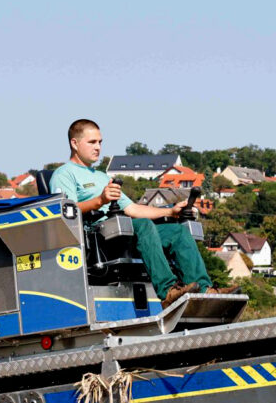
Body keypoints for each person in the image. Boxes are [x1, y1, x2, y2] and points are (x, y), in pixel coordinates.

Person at [51, 119, 212, 307]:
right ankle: (168, 291)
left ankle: (204, 290)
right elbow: (65, 212)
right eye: (92, 142)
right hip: (99, 237)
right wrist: (99, 201)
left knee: (178, 231)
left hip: (127, 233)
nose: (98, 148)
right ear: (74, 143)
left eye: (100, 142)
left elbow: (132, 209)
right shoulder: (64, 174)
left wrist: (171, 211)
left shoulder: (102, 177)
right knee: (143, 225)